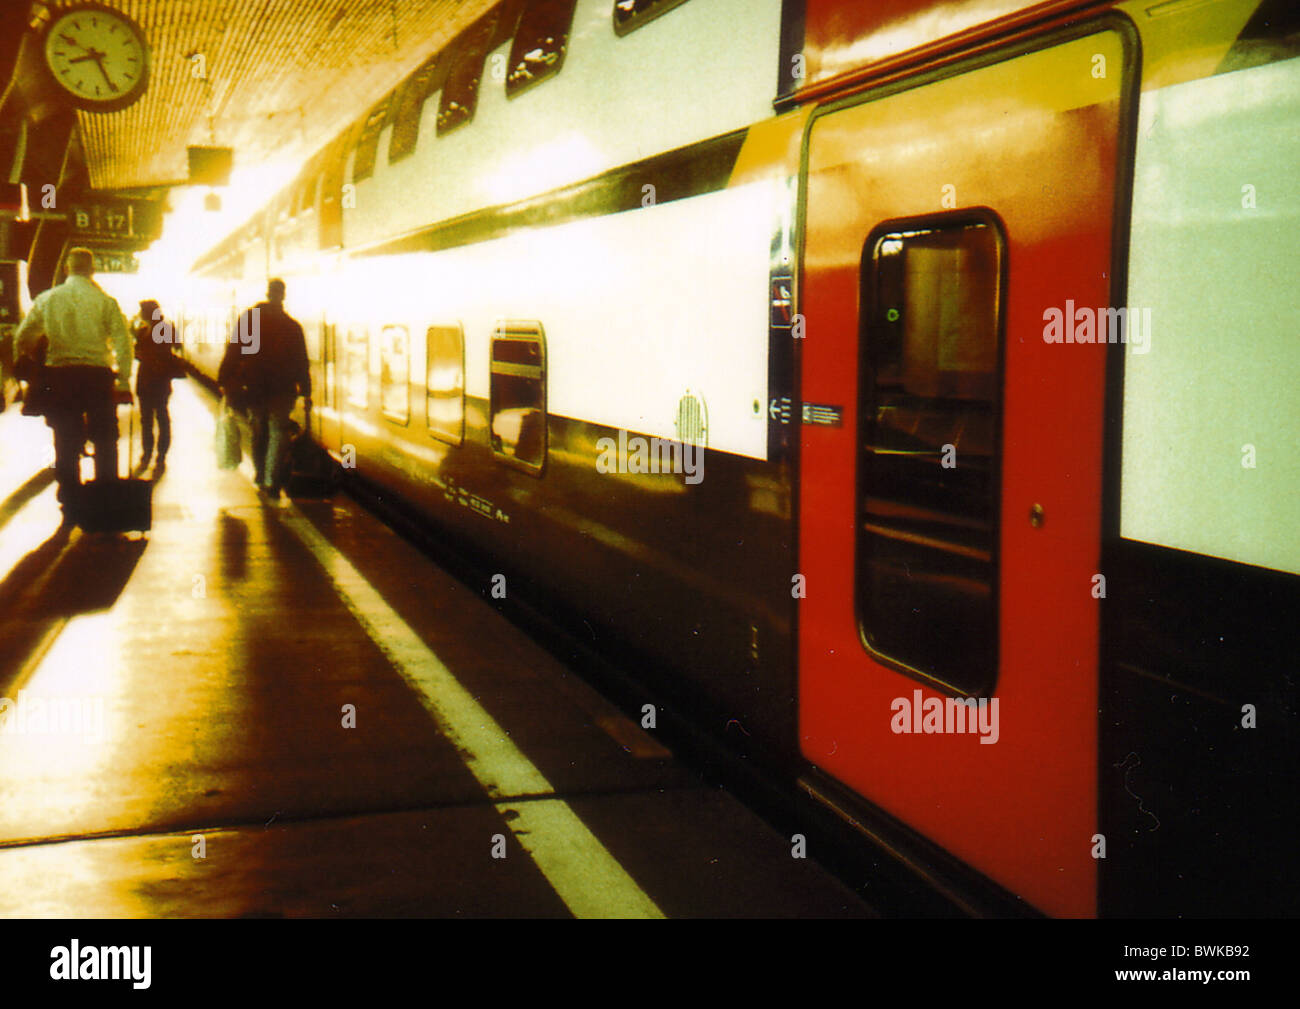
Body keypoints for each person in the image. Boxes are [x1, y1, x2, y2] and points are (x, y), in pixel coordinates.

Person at [14, 247, 131, 520]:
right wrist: (123, 379)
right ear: (92, 270)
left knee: (65, 440)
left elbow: (23, 337)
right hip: (97, 377)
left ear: (66, 269)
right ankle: (105, 495)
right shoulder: (106, 302)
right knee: (104, 438)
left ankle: (70, 498)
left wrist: (33, 358)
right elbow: (123, 342)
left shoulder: (48, 299)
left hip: (61, 376)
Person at [219, 278, 310, 494]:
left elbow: (234, 351)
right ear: (282, 296)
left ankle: (261, 473)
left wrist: (224, 378)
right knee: (279, 432)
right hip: (283, 388)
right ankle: (272, 480)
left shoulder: (250, 320)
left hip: (255, 387)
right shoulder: (292, 326)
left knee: (259, 430)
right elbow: (301, 361)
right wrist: (306, 390)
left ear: (268, 294)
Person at [132, 299, 184, 474]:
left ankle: (148, 454)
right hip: (160, 381)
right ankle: (160, 456)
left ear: (146, 313)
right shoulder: (166, 328)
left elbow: (138, 353)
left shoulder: (144, 331)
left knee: (147, 420)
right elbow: (177, 347)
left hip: (148, 380)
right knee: (162, 417)